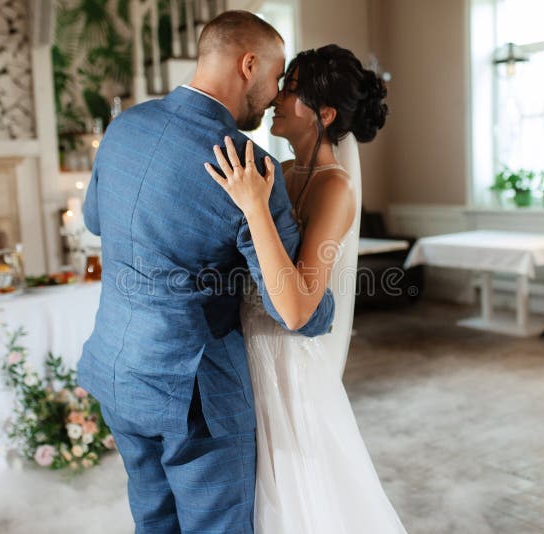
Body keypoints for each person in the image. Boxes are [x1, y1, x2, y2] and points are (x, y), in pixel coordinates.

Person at [76, 10, 336, 534]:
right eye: (275, 75)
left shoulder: (125, 126)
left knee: (154, 523)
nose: (275, 93)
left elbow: (94, 221)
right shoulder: (245, 163)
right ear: (248, 64)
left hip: (117, 372)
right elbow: (306, 316)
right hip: (193, 396)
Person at [204, 44, 407, 533]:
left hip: (287, 365)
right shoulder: (282, 172)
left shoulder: (335, 189)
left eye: (290, 90)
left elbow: (297, 306)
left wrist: (254, 207)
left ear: (325, 114)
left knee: (301, 498)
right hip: (245, 355)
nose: (275, 99)